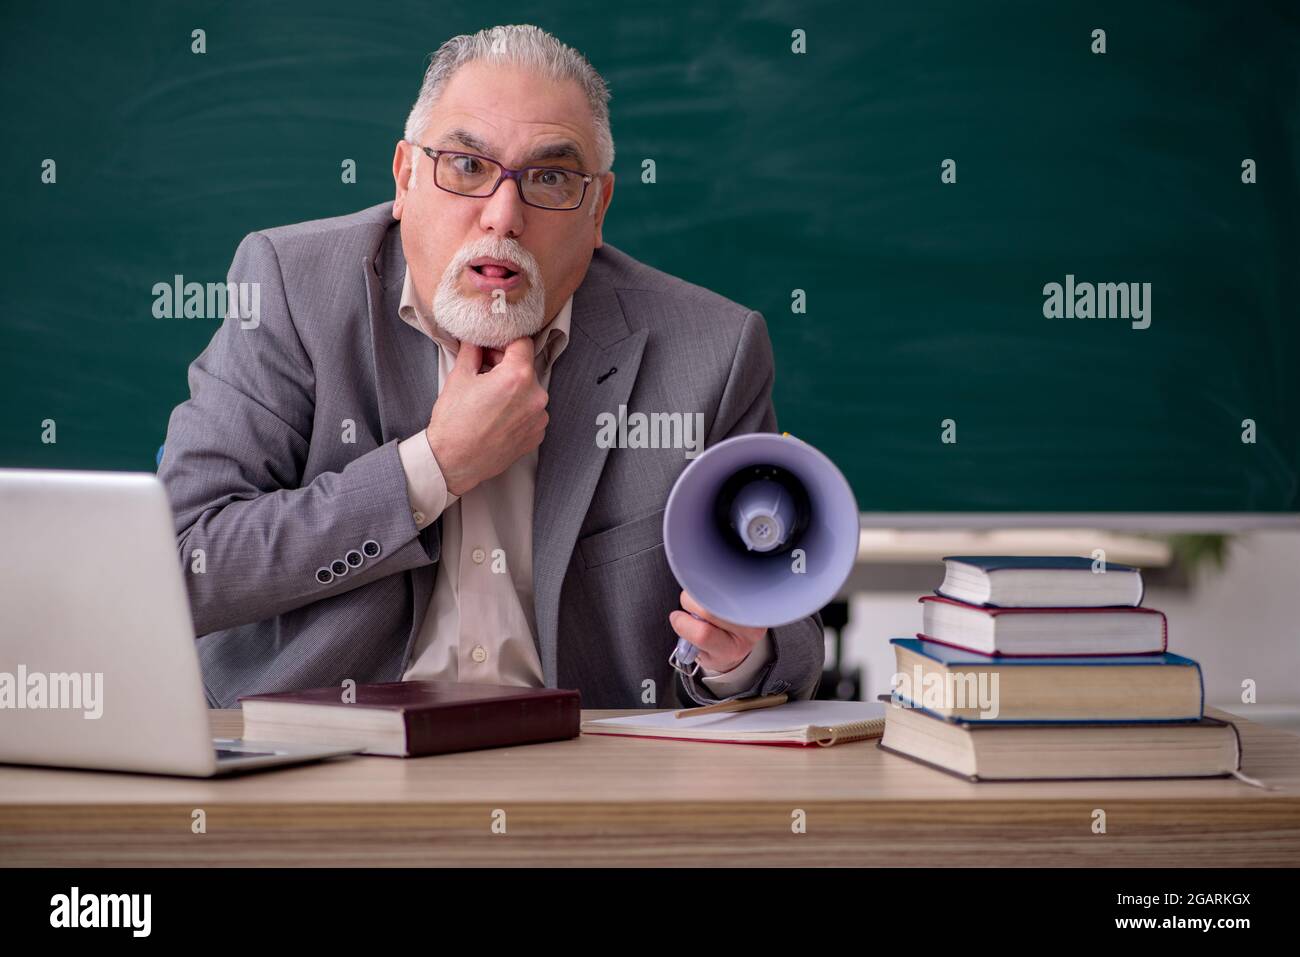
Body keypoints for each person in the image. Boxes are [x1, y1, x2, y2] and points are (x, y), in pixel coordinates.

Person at [159, 24, 824, 709]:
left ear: (598, 210)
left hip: (585, 774)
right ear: (405, 177)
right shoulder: (291, 289)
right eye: (467, 166)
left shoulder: (713, 347)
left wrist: (740, 658)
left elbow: (790, 632)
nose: (503, 217)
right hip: (324, 758)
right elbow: (178, 565)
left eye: (550, 178)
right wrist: (432, 467)